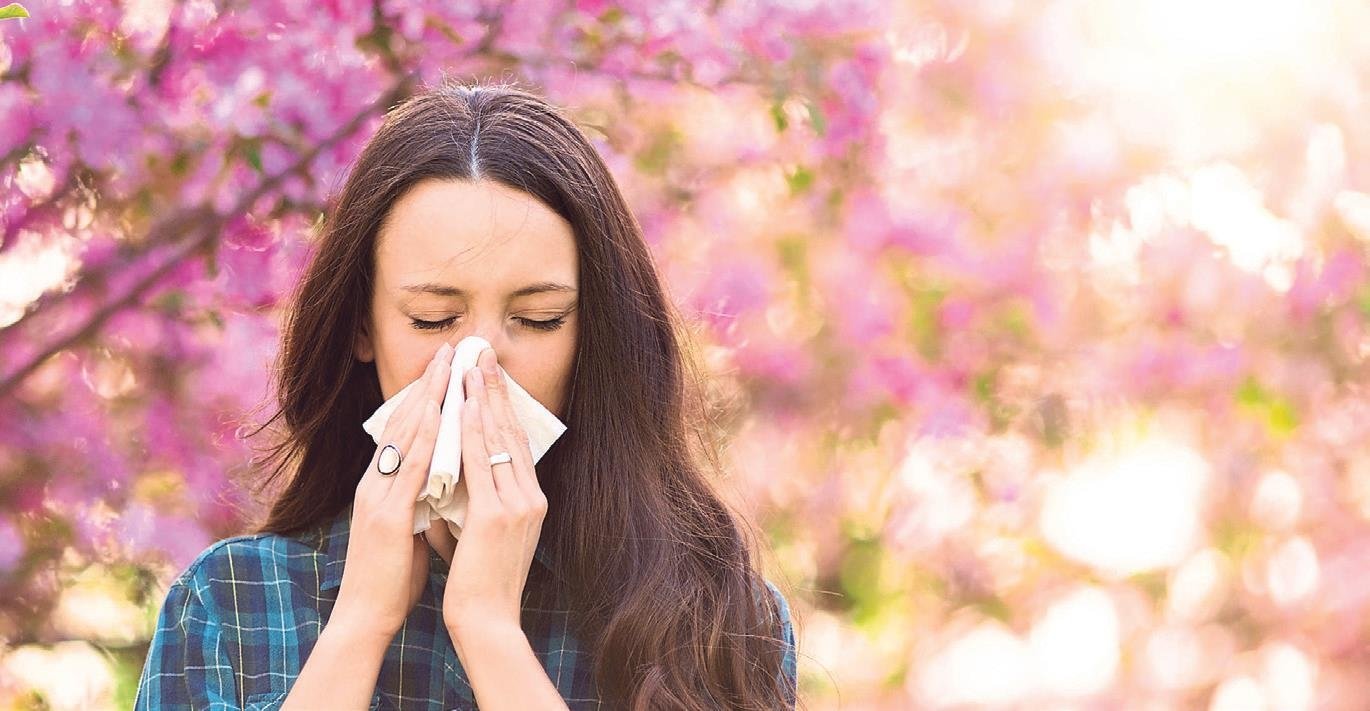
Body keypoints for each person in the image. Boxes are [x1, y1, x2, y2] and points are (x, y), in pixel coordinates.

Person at [133, 80, 799, 710]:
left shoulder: (715, 621)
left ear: (592, 331)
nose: (482, 361)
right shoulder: (228, 604)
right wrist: (360, 620)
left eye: (538, 318)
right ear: (363, 324)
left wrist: (488, 629)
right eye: (433, 318)